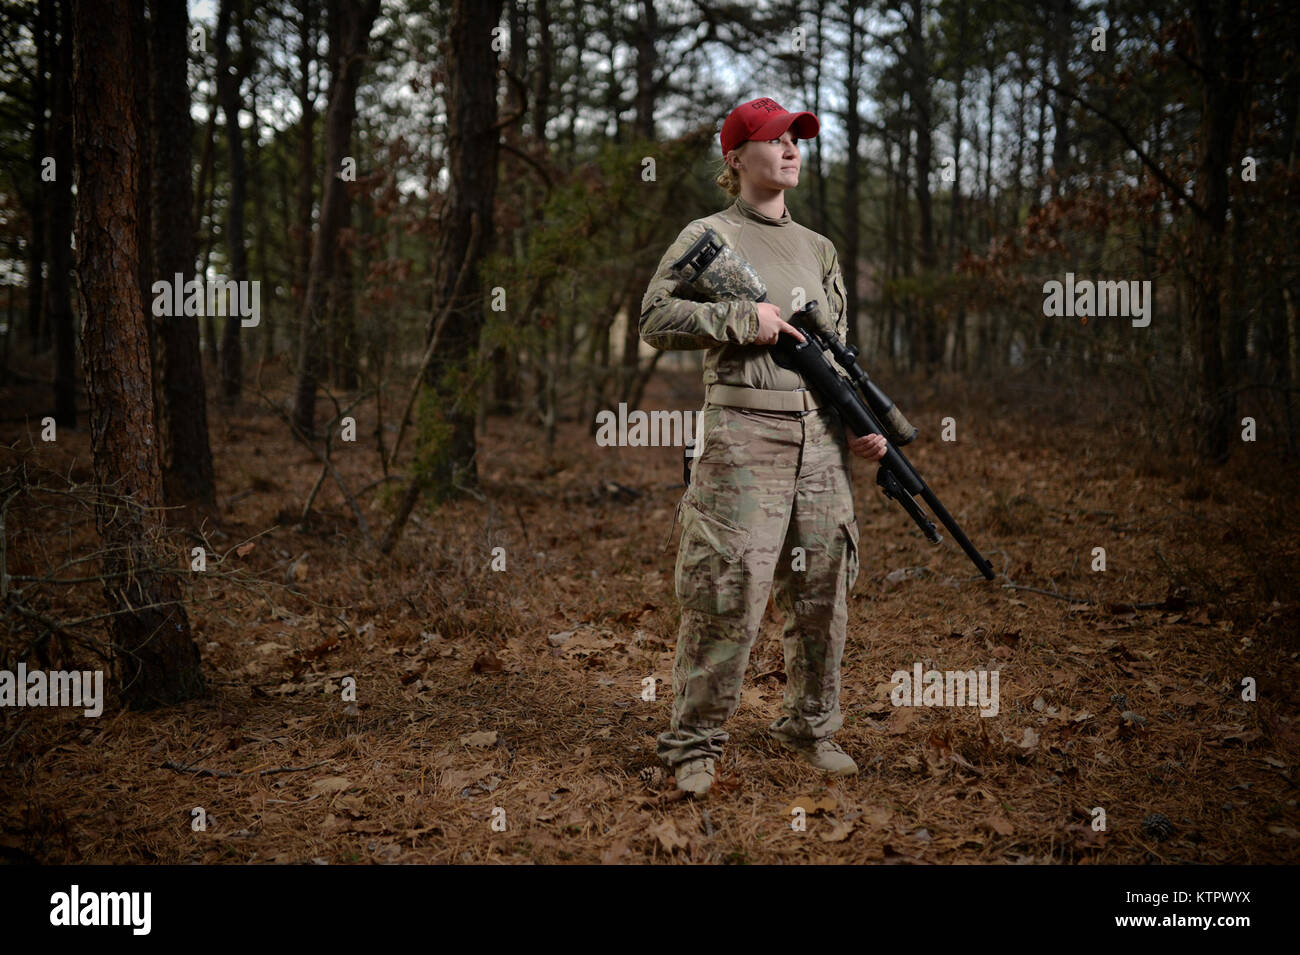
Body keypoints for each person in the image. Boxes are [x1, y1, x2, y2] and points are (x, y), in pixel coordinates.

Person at [640, 97, 888, 796]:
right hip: (742, 433)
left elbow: (835, 354)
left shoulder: (819, 247)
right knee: (727, 586)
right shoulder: (708, 234)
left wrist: (860, 422)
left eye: (798, 139)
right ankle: (693, 743)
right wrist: (743, 317)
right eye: (776, 139)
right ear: (735, 158)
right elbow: (654, 316)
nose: (791, 150)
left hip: (819, 439)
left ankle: (810, 727)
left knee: (823, 588)